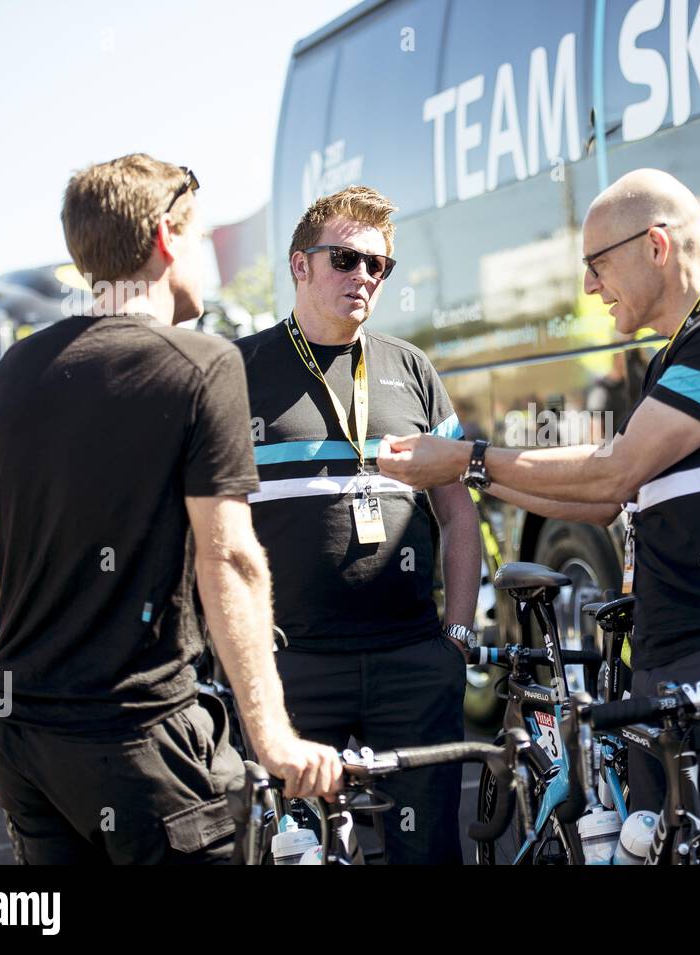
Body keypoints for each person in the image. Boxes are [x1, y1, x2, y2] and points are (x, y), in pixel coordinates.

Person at [377, 168, 700, 865]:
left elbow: (617, 468)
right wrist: (474, 473)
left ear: (657, 247)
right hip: (665, 658)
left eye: (596, 263)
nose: (588, 287)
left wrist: (467, 459)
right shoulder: (670, 357)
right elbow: (607, 498)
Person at [0, 154, 343, 864]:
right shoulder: (201, 364)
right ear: (167, 239)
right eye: (198, 239)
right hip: (143, 745)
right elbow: (227, 556)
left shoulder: (5, 380)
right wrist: (275, 738)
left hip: (26, 743)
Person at [235, 185, 481, 865]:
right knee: (293, 852)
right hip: (293, 666)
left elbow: (459, 511)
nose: (364, 277)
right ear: (299, 265)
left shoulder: (411, 368)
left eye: (379, 266)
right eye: (345, 258)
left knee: (427, 850)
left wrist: (455, 637)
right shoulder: (238, 370)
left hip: (411, 663)